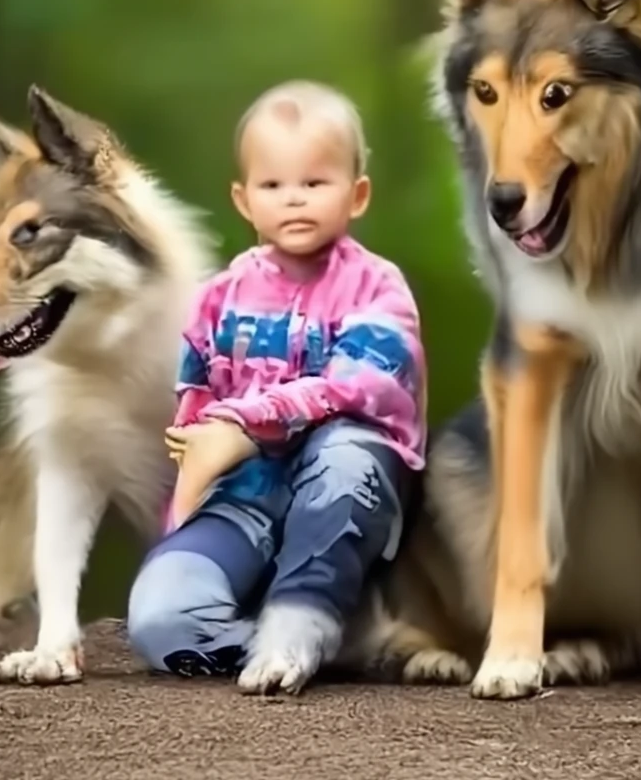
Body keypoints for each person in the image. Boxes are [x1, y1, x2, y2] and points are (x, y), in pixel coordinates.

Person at [126, 80, 428, 693]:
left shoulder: (379, 288)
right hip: (245, 501)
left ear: (357, 193)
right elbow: (196, 417)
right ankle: (329, 641)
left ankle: (301, 622)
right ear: (243, 199)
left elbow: (360, 384)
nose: (294, 200)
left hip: (343, 495)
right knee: (159, 622)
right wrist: (184, 508)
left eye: (315, 183)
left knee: (345, 452)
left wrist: (244, 427)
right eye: (273, 185)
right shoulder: (217, 298)